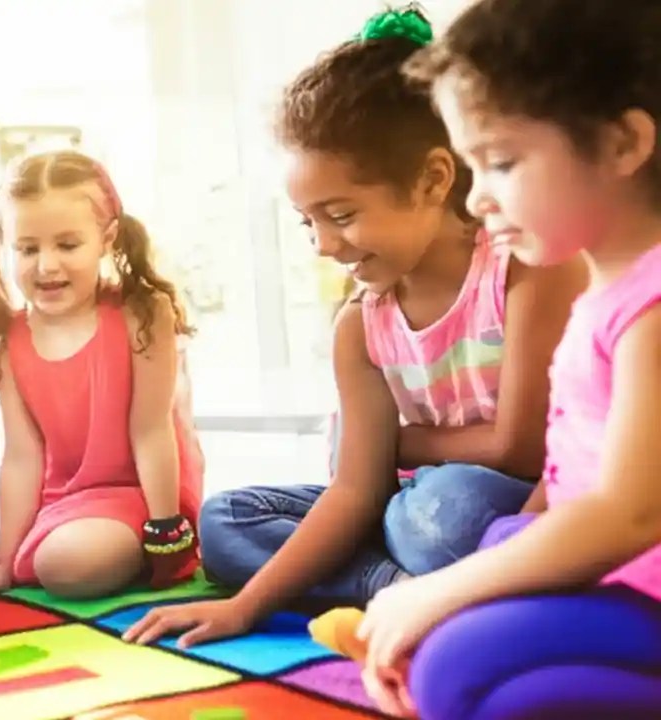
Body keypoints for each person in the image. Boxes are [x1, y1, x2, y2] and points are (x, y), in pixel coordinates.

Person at [124, 5, 584, 648]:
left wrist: (399, 443)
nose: (321, 243)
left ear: (432, 179)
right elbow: (352, 489)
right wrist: (244, 609)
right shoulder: (360, 324)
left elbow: (519, 449)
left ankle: (411, 576)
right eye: (307, 221)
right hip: (394, 509)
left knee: (446, 513)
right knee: (228, 523)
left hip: (499, 502)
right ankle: (391, 587)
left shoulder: (522, 268)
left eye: (340, 215)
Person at [356, 1, 661, 717]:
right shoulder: (605, 288)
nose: (478, 195)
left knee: (454, 666)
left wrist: (438, 594)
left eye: (500, 161)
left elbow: (630, 513)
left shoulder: (652, 307)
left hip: (640, 567)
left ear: (622, 144)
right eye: (470, 165)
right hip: (619, 565)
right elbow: (566, 474)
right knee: (473, 626)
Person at [0, 150, 203, 600]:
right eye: (28, 249)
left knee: (61, 563)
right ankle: (42, 550)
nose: (46, 265)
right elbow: (21, 457)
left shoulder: (143, 314)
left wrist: (167, 531)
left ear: (107, 238)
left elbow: (151, 432)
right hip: (64, 500)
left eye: (67, 245)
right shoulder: (10, 342)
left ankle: (97, 551)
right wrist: (6, 567)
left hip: (136, 495)